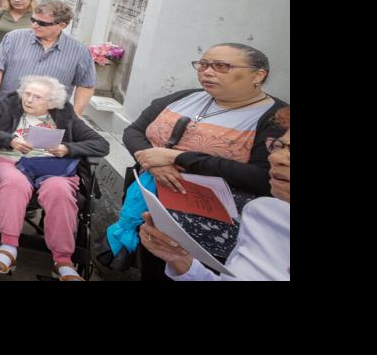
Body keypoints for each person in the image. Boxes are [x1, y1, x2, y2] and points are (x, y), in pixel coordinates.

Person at [117, 43, 287, 280]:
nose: (207, 72)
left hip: (214, 231)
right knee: (154, 269)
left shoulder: (275, 119)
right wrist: (156, 163)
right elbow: (134, 131)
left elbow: (263, 177)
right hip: (159, 213)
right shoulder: (184, 98)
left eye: (221, 66)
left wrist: (181, 158)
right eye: (203, 65)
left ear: (258, 75)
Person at [0, 74, 108, 281]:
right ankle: (8, 248)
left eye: (37, 97)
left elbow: (101, 144)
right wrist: (9, 140)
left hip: (51, 167)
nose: (29, 100)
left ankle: (63, 261)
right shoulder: (10, 104)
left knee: (60, 190)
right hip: (8, 161)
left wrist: (67, 148)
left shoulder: (65, 115)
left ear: (52, 102)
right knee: (16, 182)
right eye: (27, 94)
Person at [139, 107, 289, 281]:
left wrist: (179, 158)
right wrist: (180, 261)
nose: (276, 158)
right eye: (279, 146)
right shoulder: (261, 213)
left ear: (258, 78)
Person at [0, 0, 94, 113]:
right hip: (7, 108)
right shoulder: (13, 38)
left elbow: (86, 84)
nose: (35, 25)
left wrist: (76, 113)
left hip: (51, 116)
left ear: (62, 25)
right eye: (33, 20)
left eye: (43, 23)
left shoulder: (79, 51)